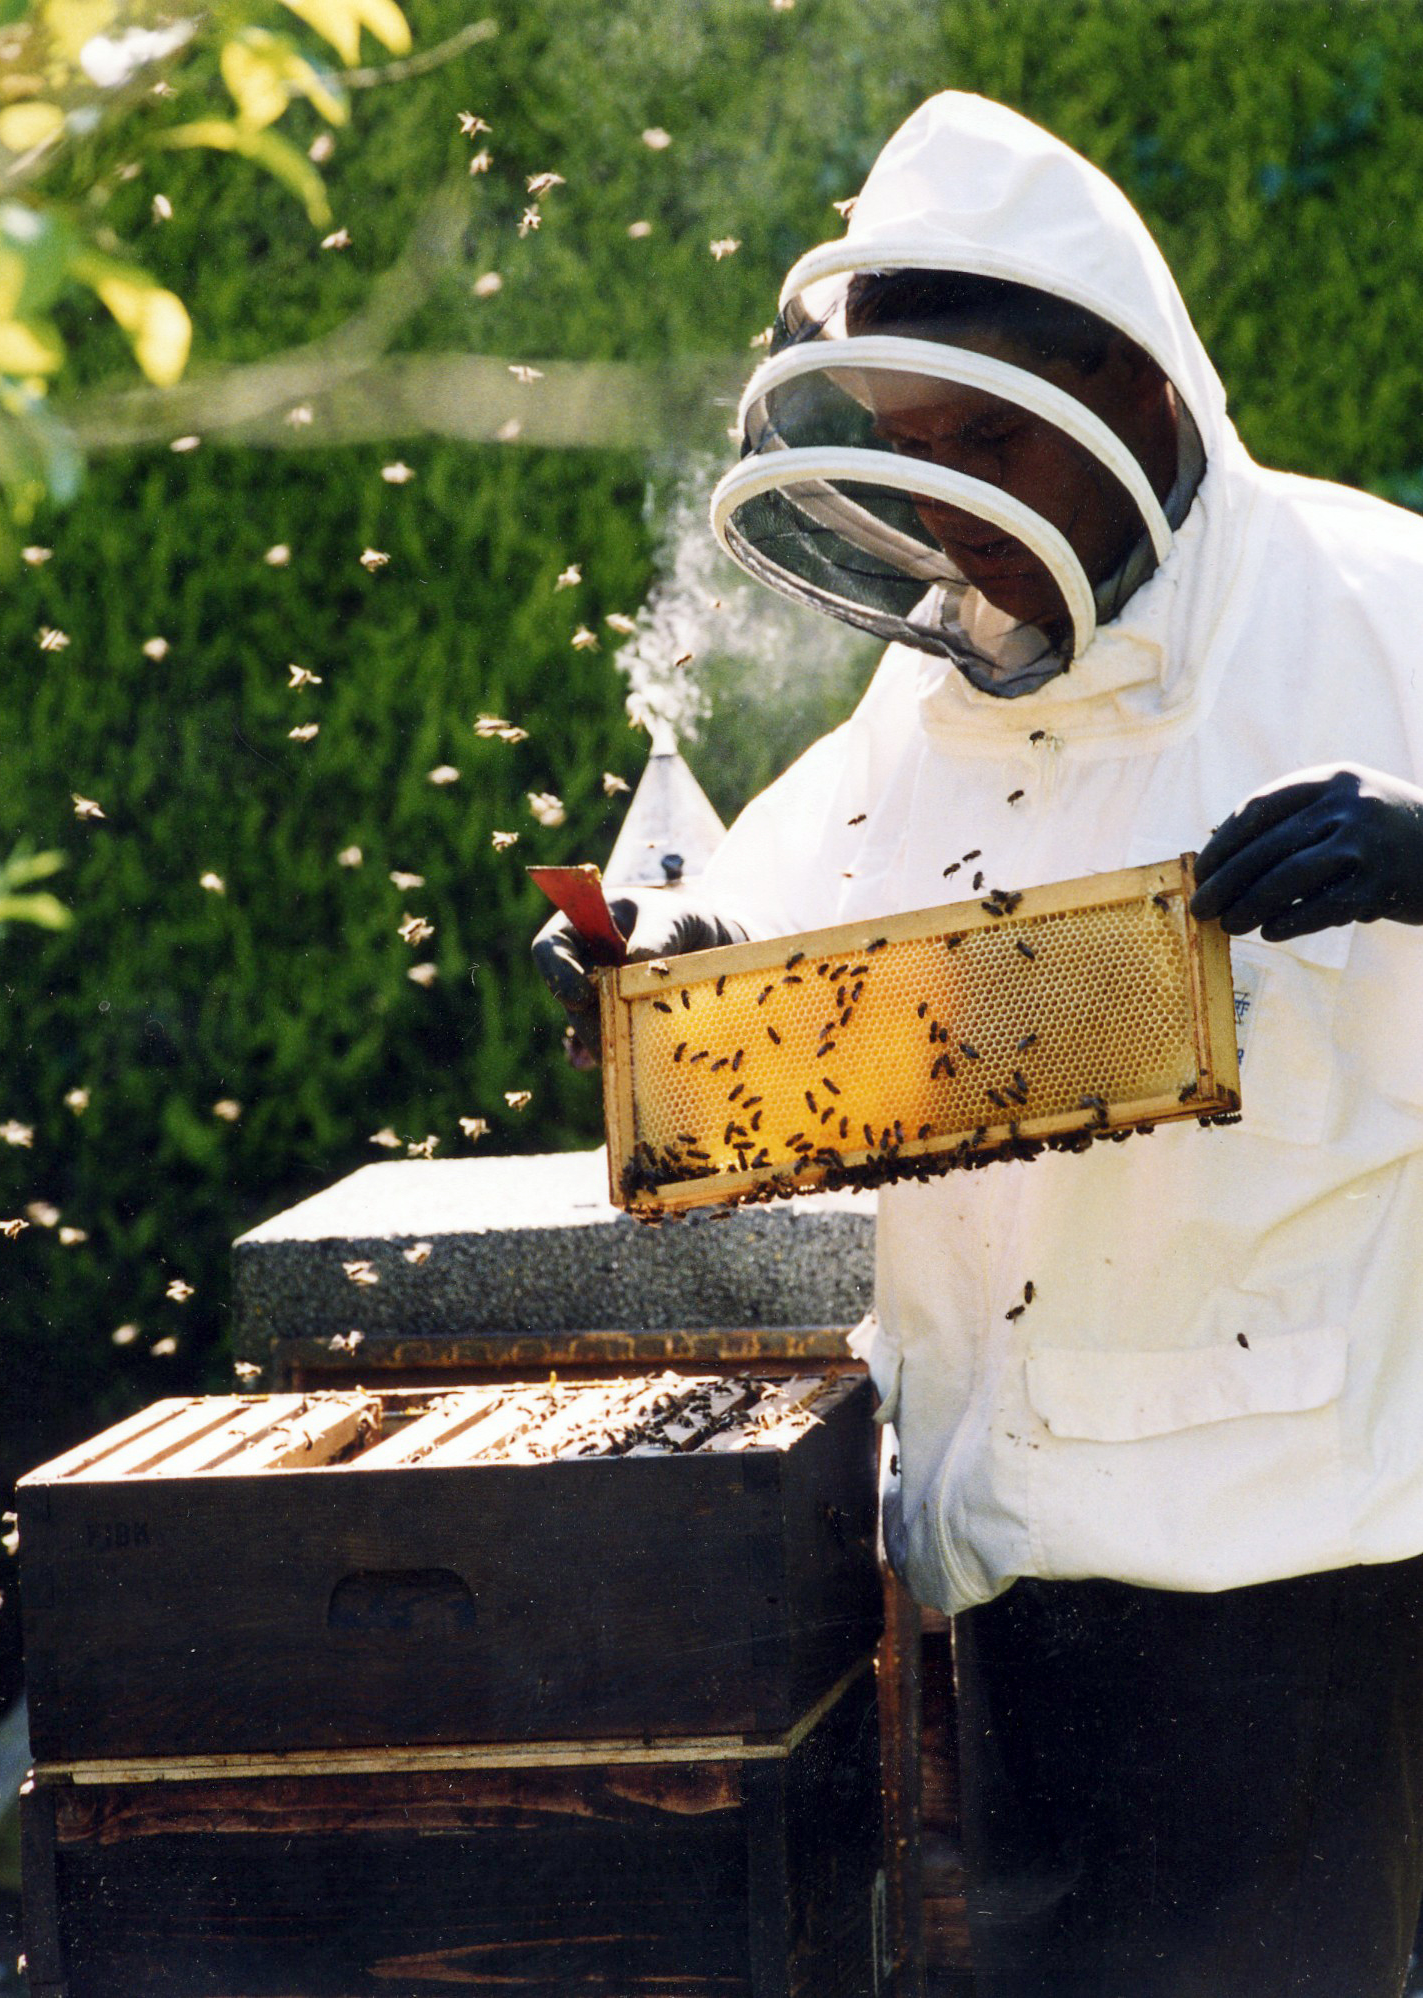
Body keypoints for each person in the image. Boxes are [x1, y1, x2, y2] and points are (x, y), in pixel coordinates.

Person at [534, 92, 1423, 1997]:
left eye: (991, 443)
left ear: (1137, 390)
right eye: (912, 452)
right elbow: (789, 929)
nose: (947, 505)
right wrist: (673, 964)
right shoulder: (927, 693)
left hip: (1313, 1569)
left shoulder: (1379, 603)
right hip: (1007, 1557)